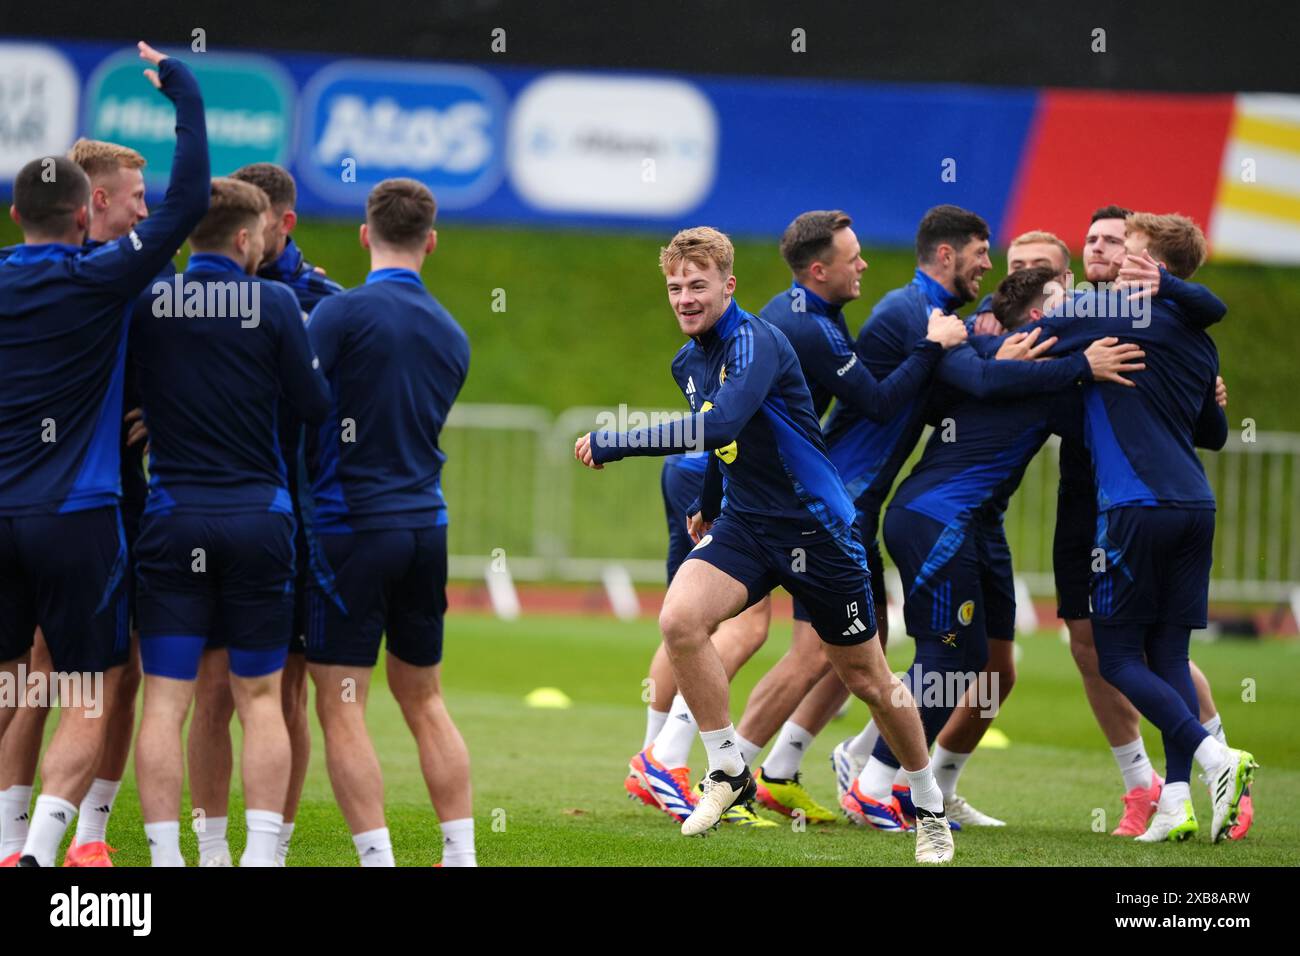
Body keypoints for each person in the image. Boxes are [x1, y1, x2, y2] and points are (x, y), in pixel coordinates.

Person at [576, 225, 957, 863]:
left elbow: (720, 421)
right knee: (680, 619)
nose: (684, 298)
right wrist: (712, 505)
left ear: (729, 285)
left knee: (867, 677)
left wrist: (617, 440)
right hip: (749, 527)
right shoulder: (687, 359)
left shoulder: (757, 341)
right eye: (674, 287)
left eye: (697, 285)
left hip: (820, 530)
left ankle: (930, 810)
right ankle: (728, 769)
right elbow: (733, 442)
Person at [0, 42, 210, 868]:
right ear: (85, 215)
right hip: (78, 515)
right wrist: (183, 91)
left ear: (17, 216)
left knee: (15, 683)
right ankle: (44, 850)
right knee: (93, 686)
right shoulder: (101, 281)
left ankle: (8, 837)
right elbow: (190, 199)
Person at [130, 177, 330, 867]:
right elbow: (312, 405)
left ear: (190, 236)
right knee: (261, 697)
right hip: (258, 521)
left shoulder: (152, 299)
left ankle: (173, 857)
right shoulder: (275, 301)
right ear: (247, 239)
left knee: (166, 700)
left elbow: (126, 389)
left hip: (174, 517)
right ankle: (260, 857)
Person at [303, 178, 476, 867]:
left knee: (343, 702)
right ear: (431, 241)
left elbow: (302, 405)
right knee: (425, 698)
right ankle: (459, 854)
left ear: (363, 234)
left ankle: (379, 861)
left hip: (351, 527)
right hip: (424, 528)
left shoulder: (339, 315)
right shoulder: (453, 333)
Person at [183, 161, 344, 867]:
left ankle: (269, 845)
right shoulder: (195, 298)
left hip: (300, 524)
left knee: (288, 696)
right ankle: (209, 844)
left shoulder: (325, 302)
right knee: (211, 688)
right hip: (222, 511)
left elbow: (337, 415)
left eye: (264, 227)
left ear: (283, 225)